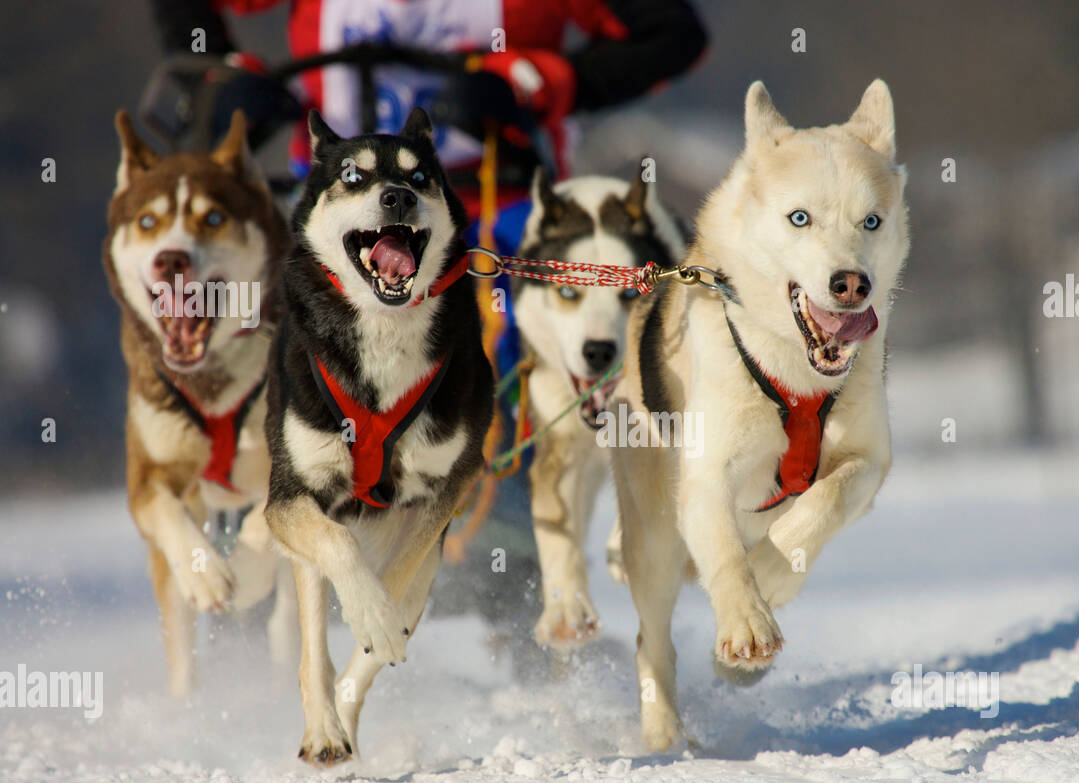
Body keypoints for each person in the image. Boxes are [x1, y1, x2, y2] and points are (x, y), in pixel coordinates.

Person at [148, 0, 708, 653]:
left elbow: (672, 33)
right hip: (333, 215)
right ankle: (247, 572)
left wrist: (539, 83)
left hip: (491, 202)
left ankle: (522, 577)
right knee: (259, 339)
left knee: (521, 365)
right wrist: (223, 69)